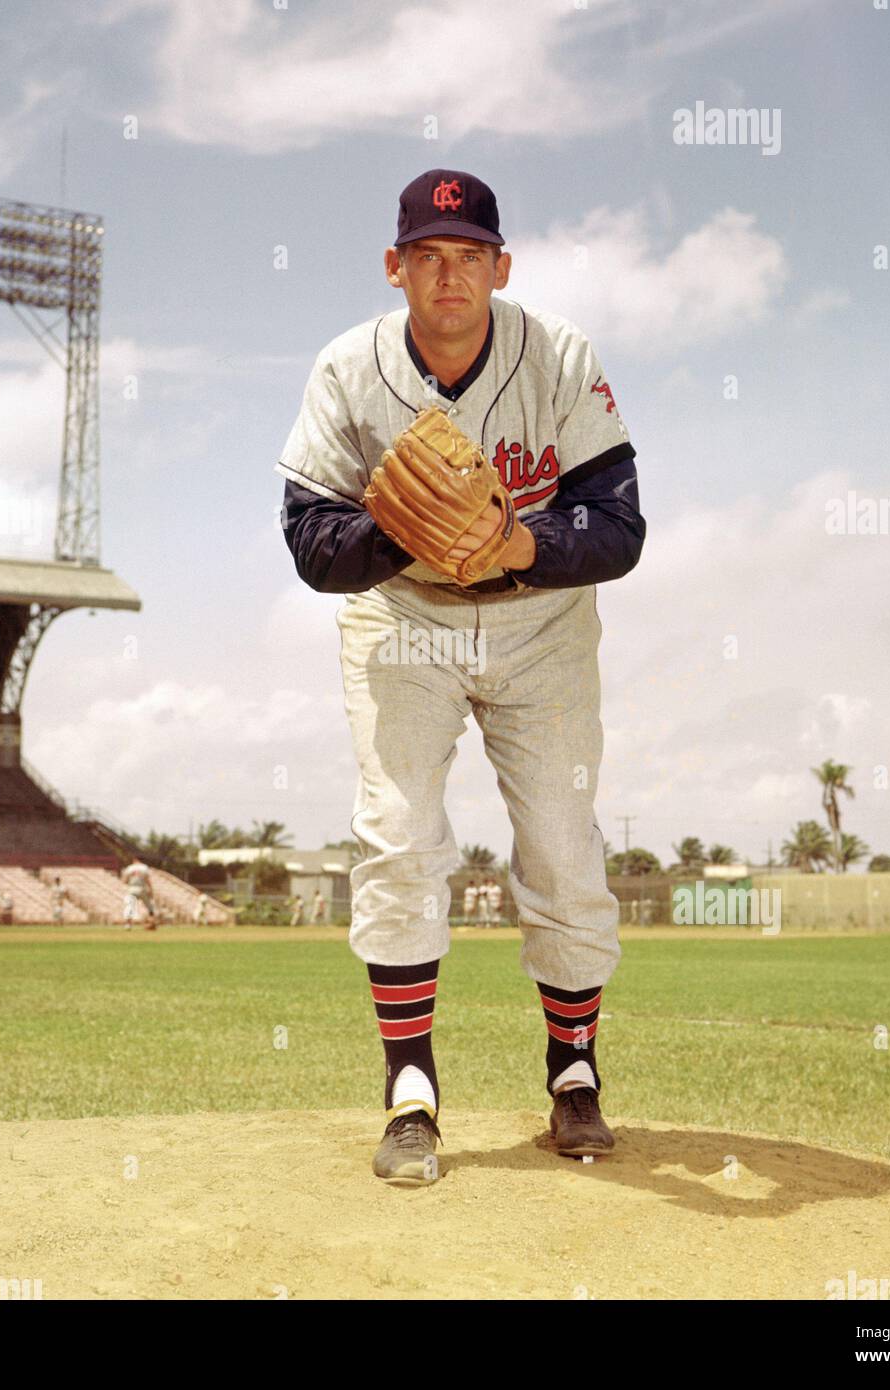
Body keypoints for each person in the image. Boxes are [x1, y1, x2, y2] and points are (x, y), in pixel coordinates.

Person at [277, 169, 645, 1183]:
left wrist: (516, 542)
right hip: (403, 621)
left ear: (500, 267)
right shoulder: (348, 370)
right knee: (398, 839)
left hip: (542, 625)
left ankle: (573, 1071)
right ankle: (411, 1092)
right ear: (396, 267)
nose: (450, 278)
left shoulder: (558, 355)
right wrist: (398, 528)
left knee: (564, 848)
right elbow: (311, 546)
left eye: (470, 256)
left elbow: (620, 528)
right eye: (429, 257)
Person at [120, 858, 157, 930]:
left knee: (130, 907)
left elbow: (124, 880)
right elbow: (147, 879)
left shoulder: (130, 868)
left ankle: (128, 924)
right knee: (150, 906)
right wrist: (151, 890)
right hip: (142, 888)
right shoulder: (144, 867)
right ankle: (152, 923)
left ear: (134, 860)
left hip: (132, 889)